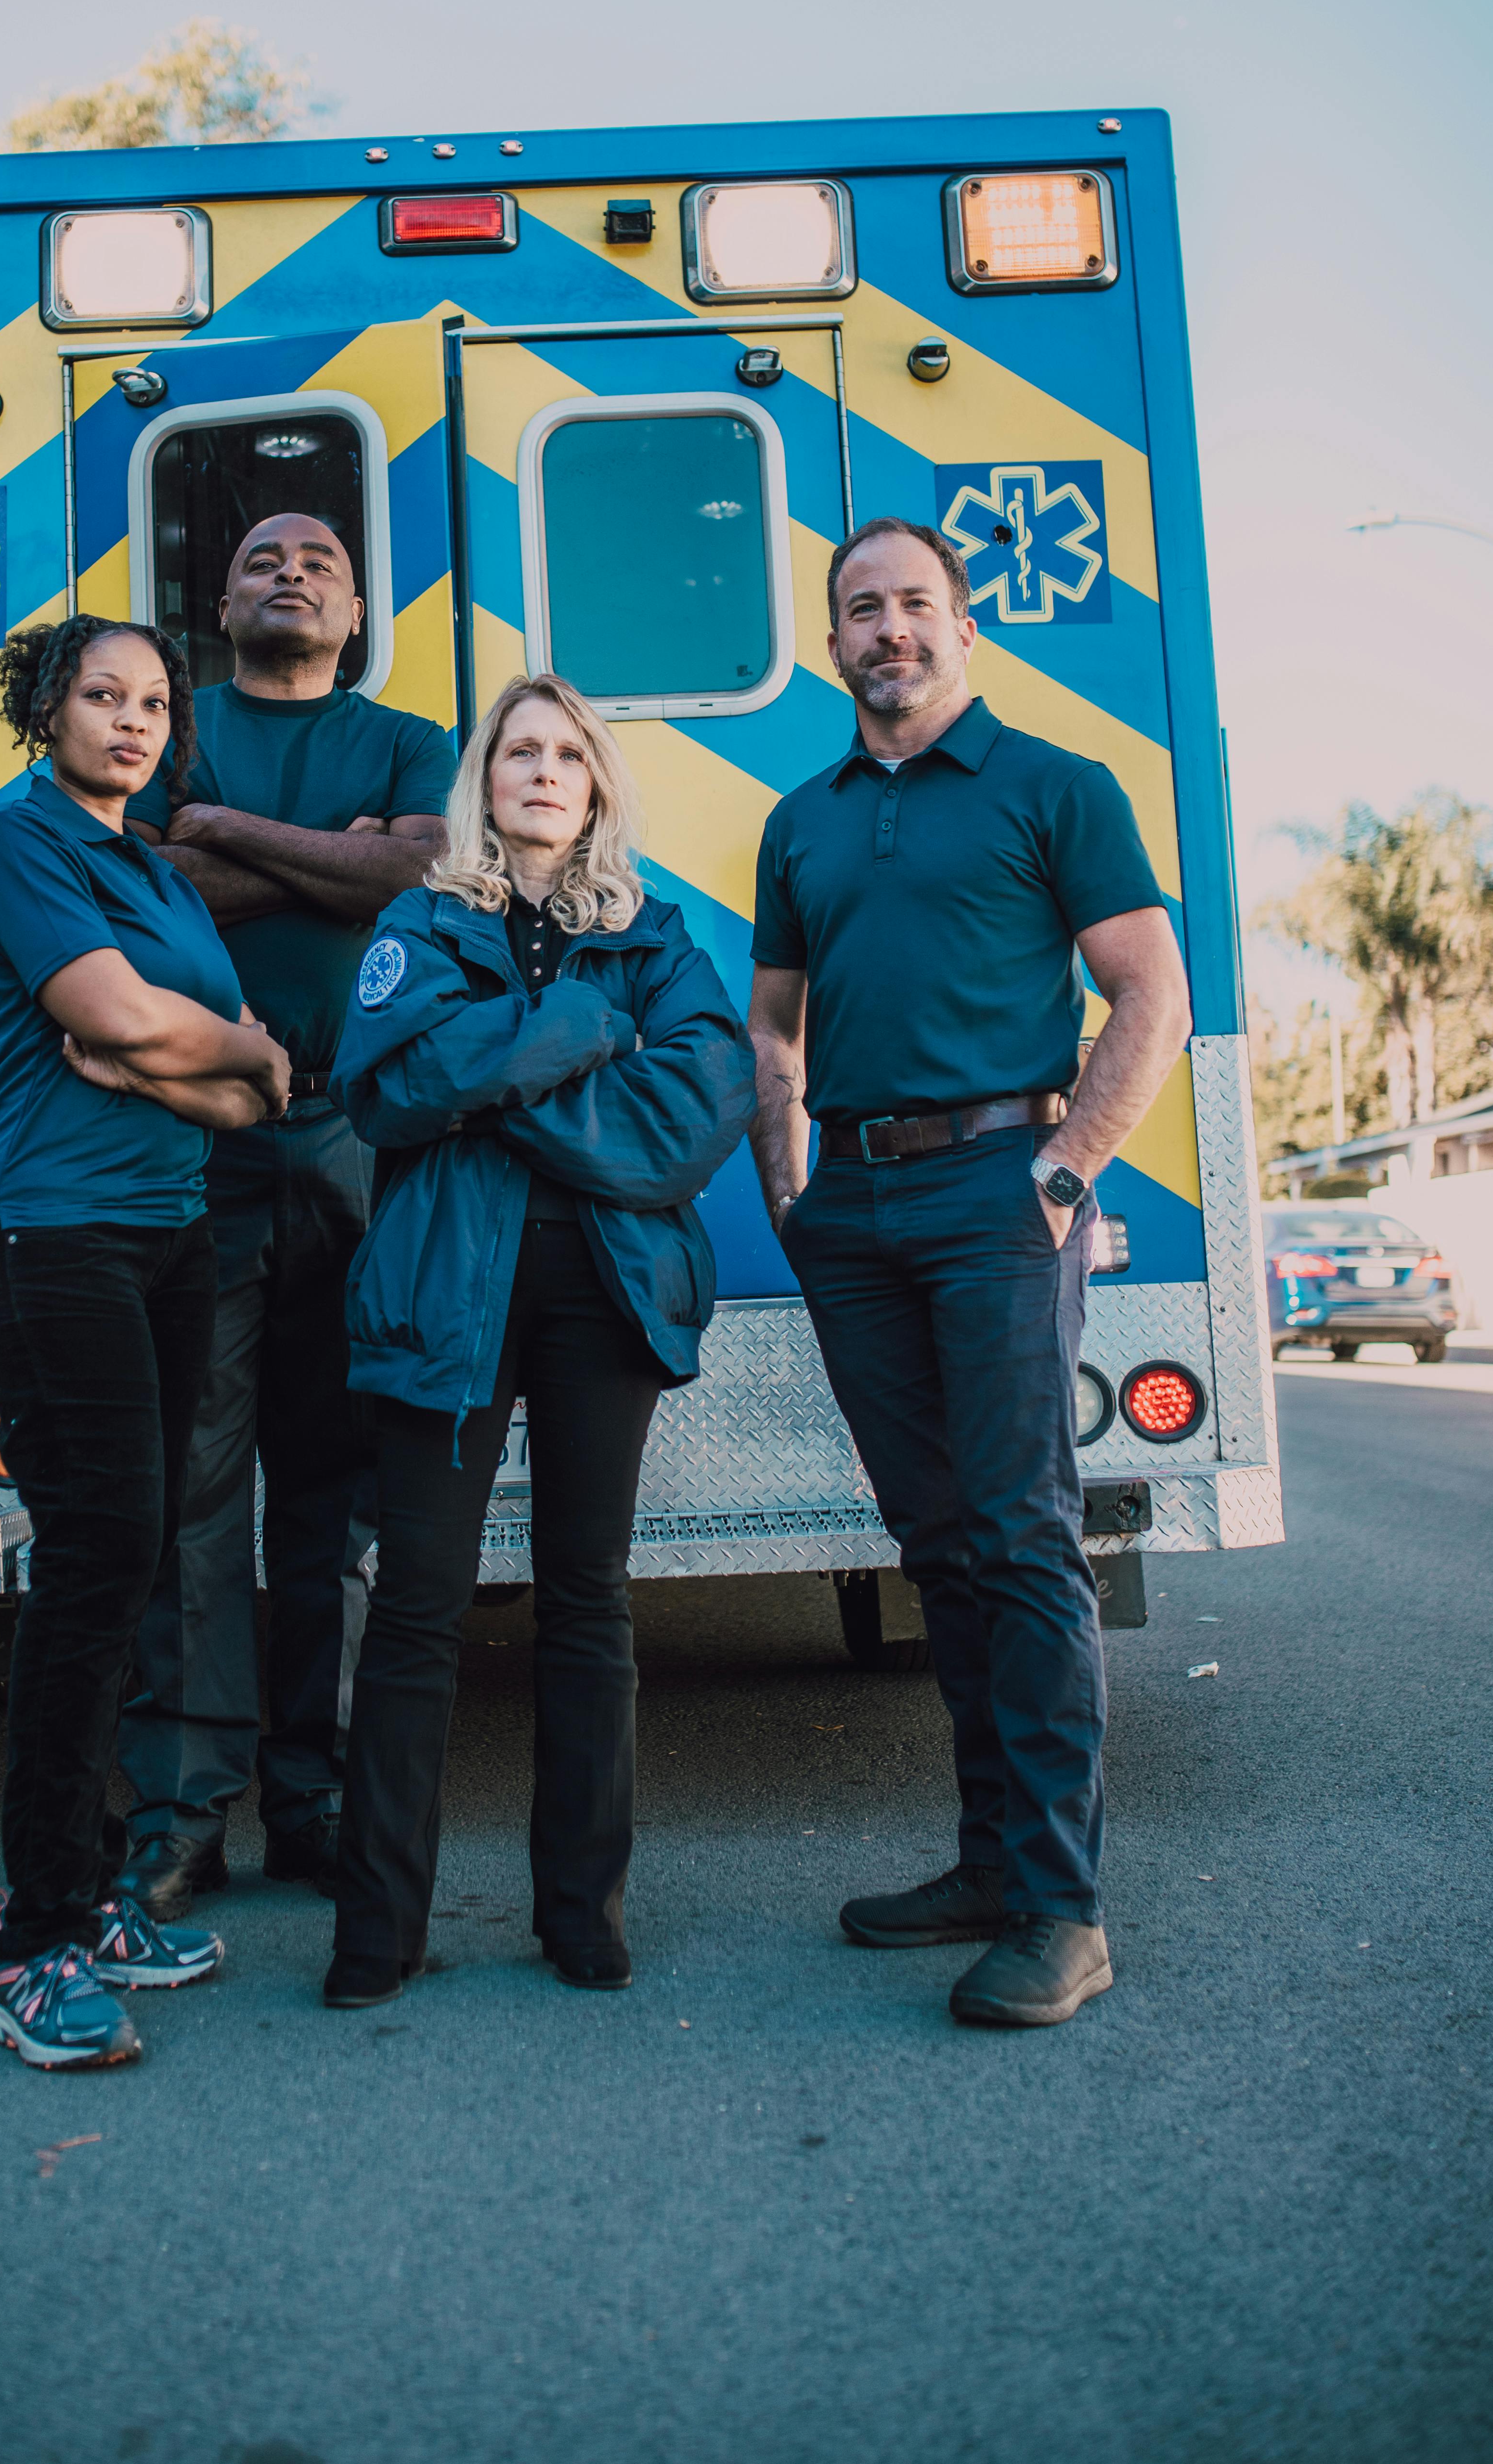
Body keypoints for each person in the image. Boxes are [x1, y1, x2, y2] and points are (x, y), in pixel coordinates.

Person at [747, 520, 1190, 2030]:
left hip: (998, 1191)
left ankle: (1065, 1910)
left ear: (963, 628)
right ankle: (992, 1862)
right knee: (936, 1542)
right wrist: (791, 1191)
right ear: (832, 642)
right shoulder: (801, 820)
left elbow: (1150, 990)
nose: (890, 629)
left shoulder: (1057, 785)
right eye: (862, 608)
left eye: (915, 604)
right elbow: (775, 1022)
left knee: (1021, 1537)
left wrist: (1062, 1173)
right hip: (854, 1208)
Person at [321, 673, 756, 2009]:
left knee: (587, 1594)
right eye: (520, 750)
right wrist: (574, 1033)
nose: (546, 770)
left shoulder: (656, 936)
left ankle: (583, 1915)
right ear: (486, 781)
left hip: (603, 1298)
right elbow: (385, 1090)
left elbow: (692, 1115)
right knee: (418, 1602)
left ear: (597, 785)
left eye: (571, 753)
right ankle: (377, 1932)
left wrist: (494, 1087)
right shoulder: (419, 921)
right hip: (445, 1291)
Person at [0, 614, 291, 2072]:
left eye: (153, 702)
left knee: (134, 1562)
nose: (134, 721)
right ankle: (36, 1945)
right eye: (103, 695)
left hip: (170, 1237)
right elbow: (110, 1015)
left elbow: (243, 1083)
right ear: (49, 710)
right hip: (50, 1239)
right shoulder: (20, 846)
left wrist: (209, 1062)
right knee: (96, 1566)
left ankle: (81, 1893)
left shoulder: (155, 870)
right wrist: (216, 1045)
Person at [103, 513, 455, 1915]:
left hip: (357, 1141)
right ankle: (183, 1815)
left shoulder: (410, 740)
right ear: (222, 602)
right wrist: (332, 855)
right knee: (192, 1489)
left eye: (319, 561)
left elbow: (422, 872)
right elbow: (141, 887)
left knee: (336, 1491)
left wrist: (229, 836)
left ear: (357, 610)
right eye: (261, 558)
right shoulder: (170, 730)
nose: (291, 572)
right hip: (193, 1143)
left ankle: (312, 1801)